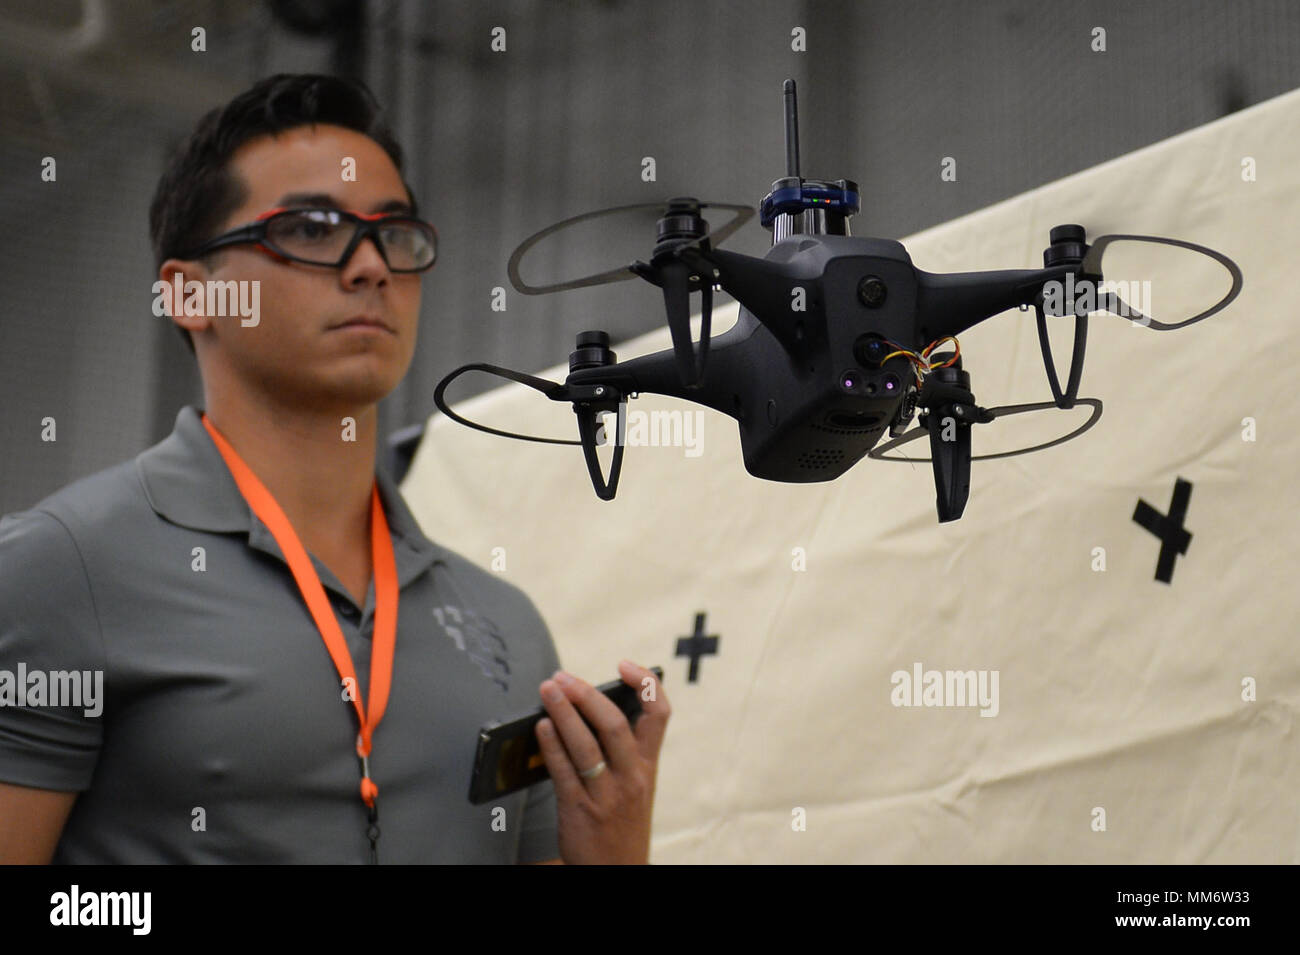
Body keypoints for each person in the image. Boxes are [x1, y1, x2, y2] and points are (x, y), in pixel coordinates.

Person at [0, 73, 670, 864]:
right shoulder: (62, 567)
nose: (371, 267)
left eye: (394, 234)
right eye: (312, 228)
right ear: (188, 294)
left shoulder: (508, 623)